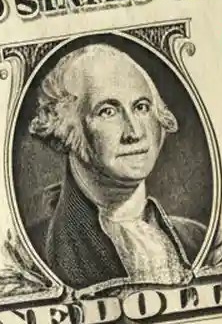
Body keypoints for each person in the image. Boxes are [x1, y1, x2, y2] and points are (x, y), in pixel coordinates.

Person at [26, 43, 205, 291]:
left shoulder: (195, 238)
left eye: (141, 107)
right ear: (66, 129)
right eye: (108, 111)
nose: (134, 132)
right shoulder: (35, 254)